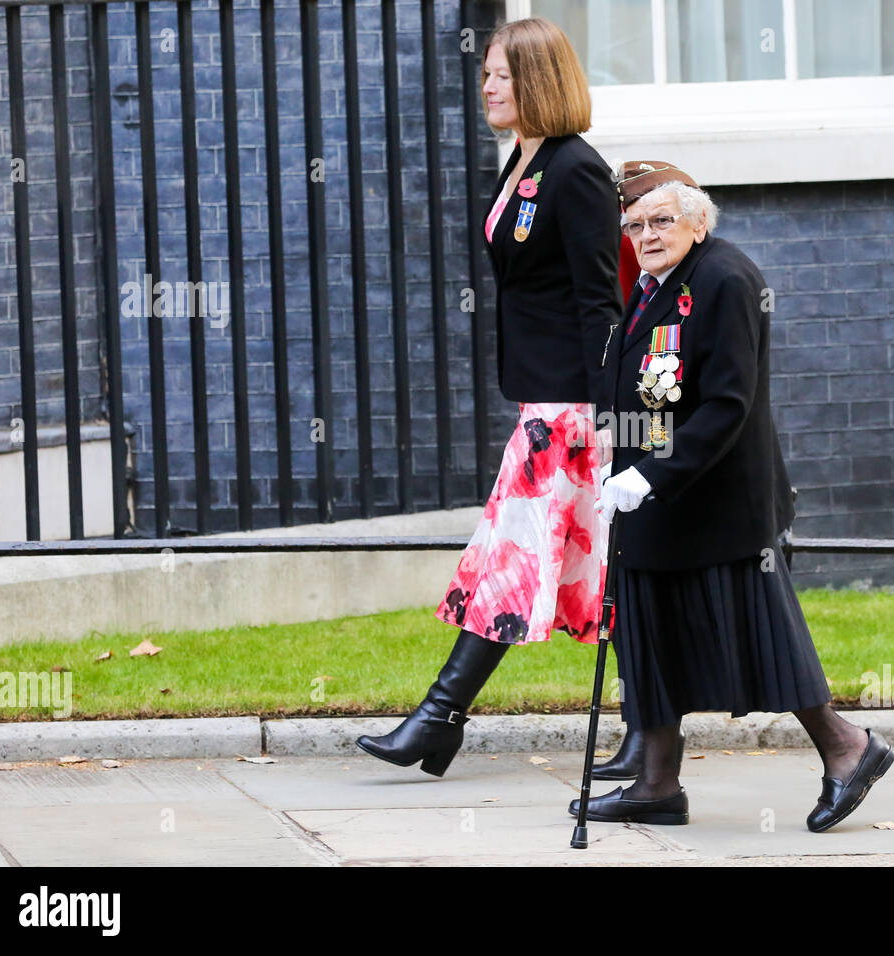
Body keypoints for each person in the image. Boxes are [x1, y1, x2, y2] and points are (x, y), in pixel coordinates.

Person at [569, 161, 894, 831]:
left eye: (661, 219)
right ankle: (657, 784)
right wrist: (619, 453)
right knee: (649, 636)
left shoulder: (725, 278)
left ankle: (848, 748)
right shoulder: (657, 286)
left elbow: (727, 404)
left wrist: (649, 475)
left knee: (760, 637)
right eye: (634, 225)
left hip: (719, 507)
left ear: (697, 218)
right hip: (657, 507)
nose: (647, 235)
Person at [357, 17, 635, 776]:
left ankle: (438, 717)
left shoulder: (575, 171)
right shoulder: (525, 161)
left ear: (538, 81)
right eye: (486, 74)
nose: (486, 87)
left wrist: (614, 418)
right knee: (589, 574)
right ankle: (638, 734)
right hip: (541, 400)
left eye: (500, 76)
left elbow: (597, 302)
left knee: (518, 564)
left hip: (573, 412)